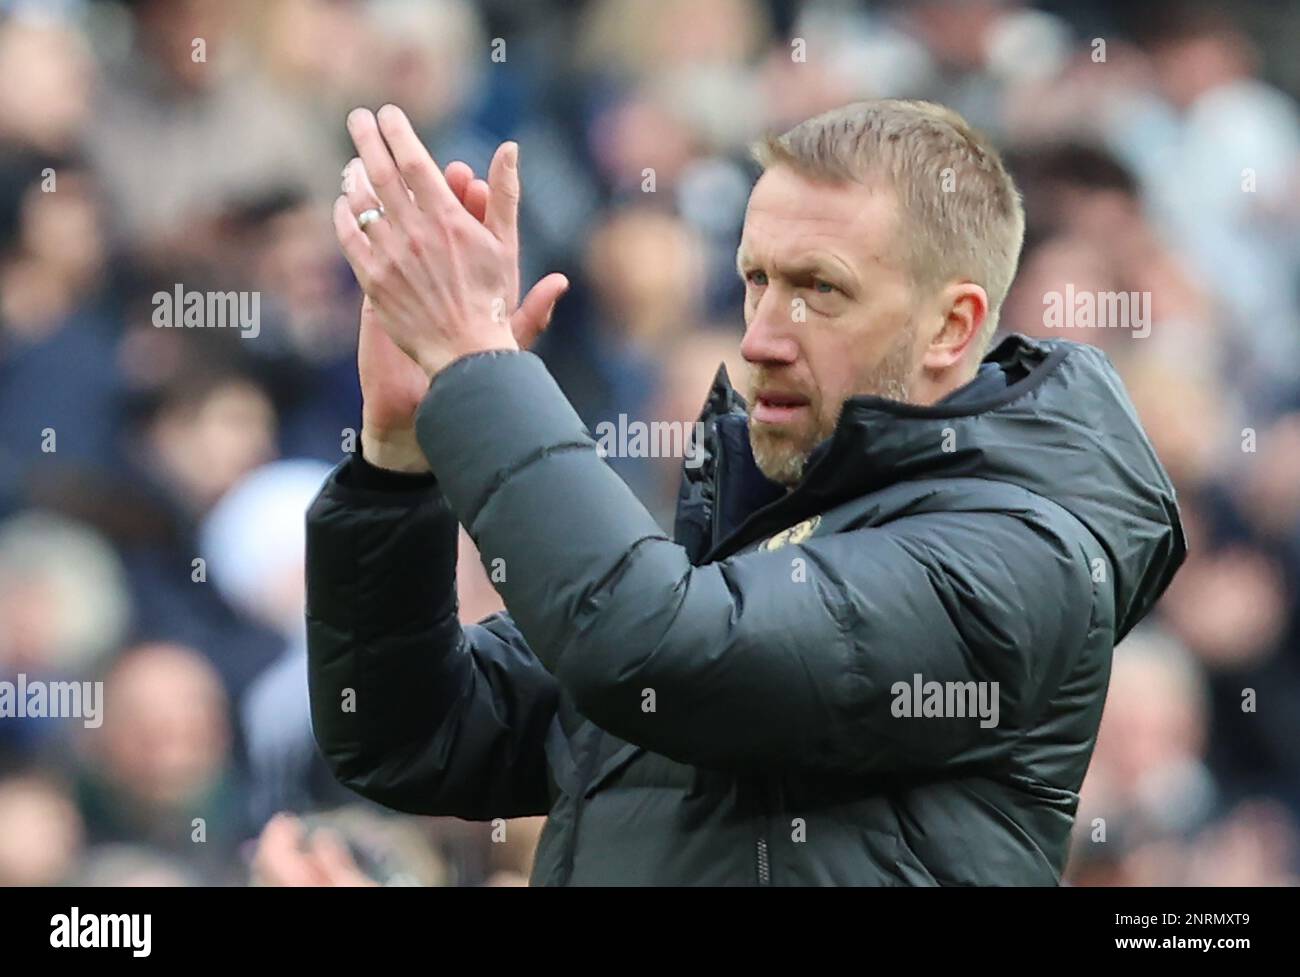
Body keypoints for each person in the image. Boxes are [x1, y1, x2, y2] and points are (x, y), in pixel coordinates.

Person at [305, 99, 1186, 884]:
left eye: (819, 289)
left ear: (950, 326)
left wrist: (477, 364)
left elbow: (652, 646)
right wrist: (399, 460)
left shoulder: (1019, 558)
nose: (762, 335)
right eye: (756, 279)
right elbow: (410, 736)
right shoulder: (738, 540)